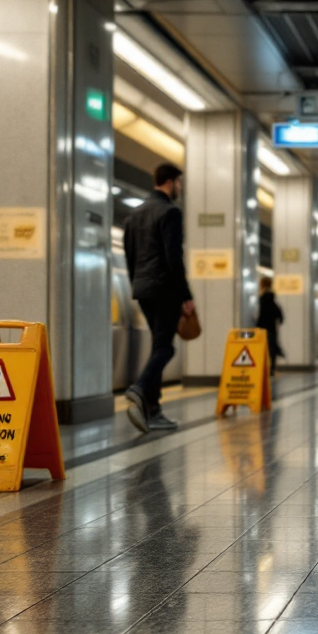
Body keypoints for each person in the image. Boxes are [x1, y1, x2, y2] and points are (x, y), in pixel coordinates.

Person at [124, 163, 194, 432]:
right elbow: (173, 258)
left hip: (143, 290)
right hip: (165, 290)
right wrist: (186, 296)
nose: (179, 188)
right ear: (171, 182)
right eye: (179, 183)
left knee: (158, 345)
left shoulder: (134, 215)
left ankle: (153, 410)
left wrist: (136, 285)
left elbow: (130, 258)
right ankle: (141, 389)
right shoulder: (170, 212)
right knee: (166, 348)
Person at [256, 276, 284, 376]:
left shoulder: (265, 297)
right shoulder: (271, 296)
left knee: (268, 348)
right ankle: (272, 368)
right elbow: (277, 310)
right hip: (271, 326)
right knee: (272, 347)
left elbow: (263, 313)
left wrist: (258, 325)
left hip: (266, 327)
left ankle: (270, 369)